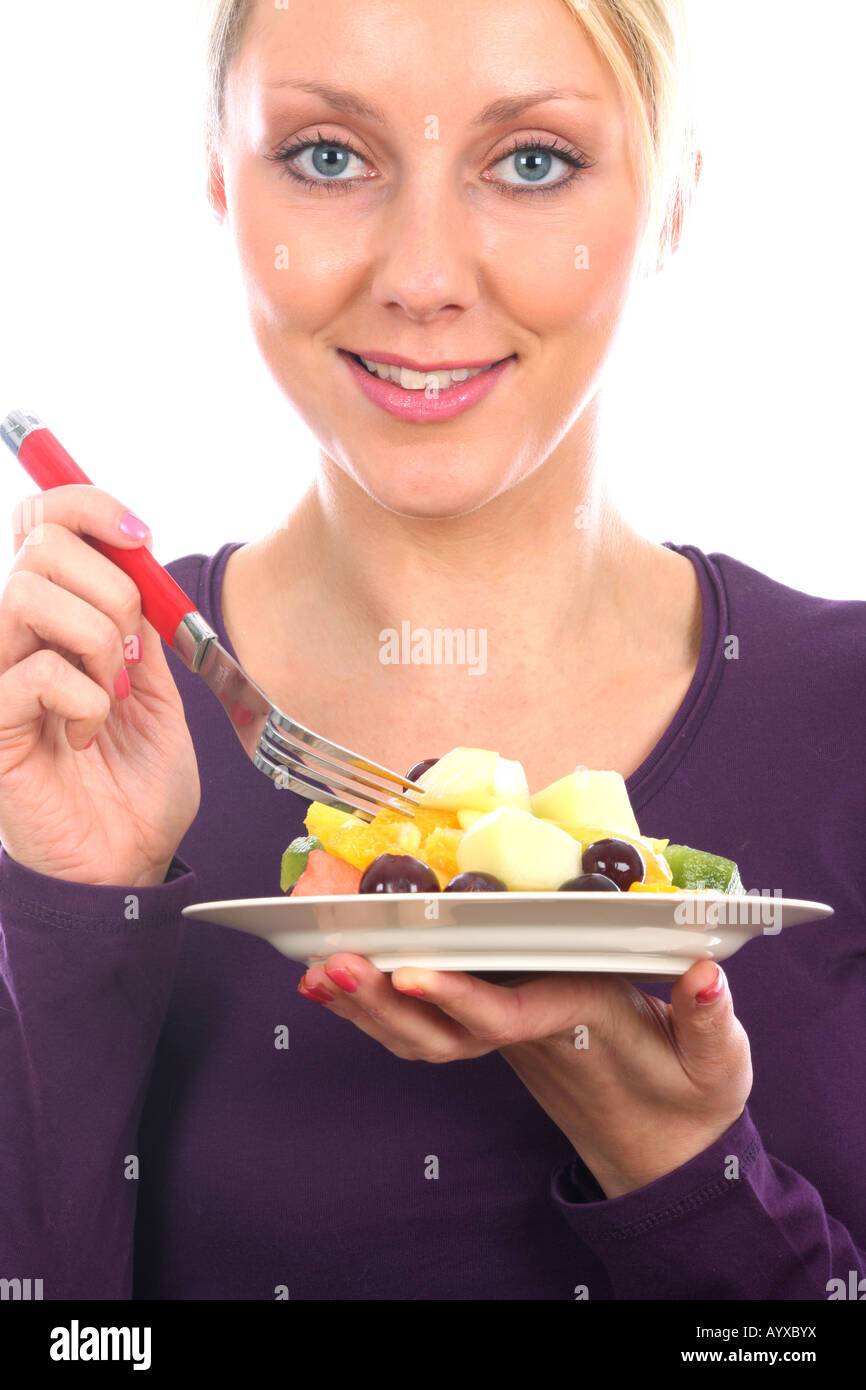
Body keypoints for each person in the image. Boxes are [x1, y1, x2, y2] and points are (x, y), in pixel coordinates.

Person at [0, 0, 863, 1301]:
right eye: (329, 156)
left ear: (674, 196)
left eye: (528, 161)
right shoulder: (56, 727)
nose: (422, 274)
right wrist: (77, 917)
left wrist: (680, 1165)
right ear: (217, 183)